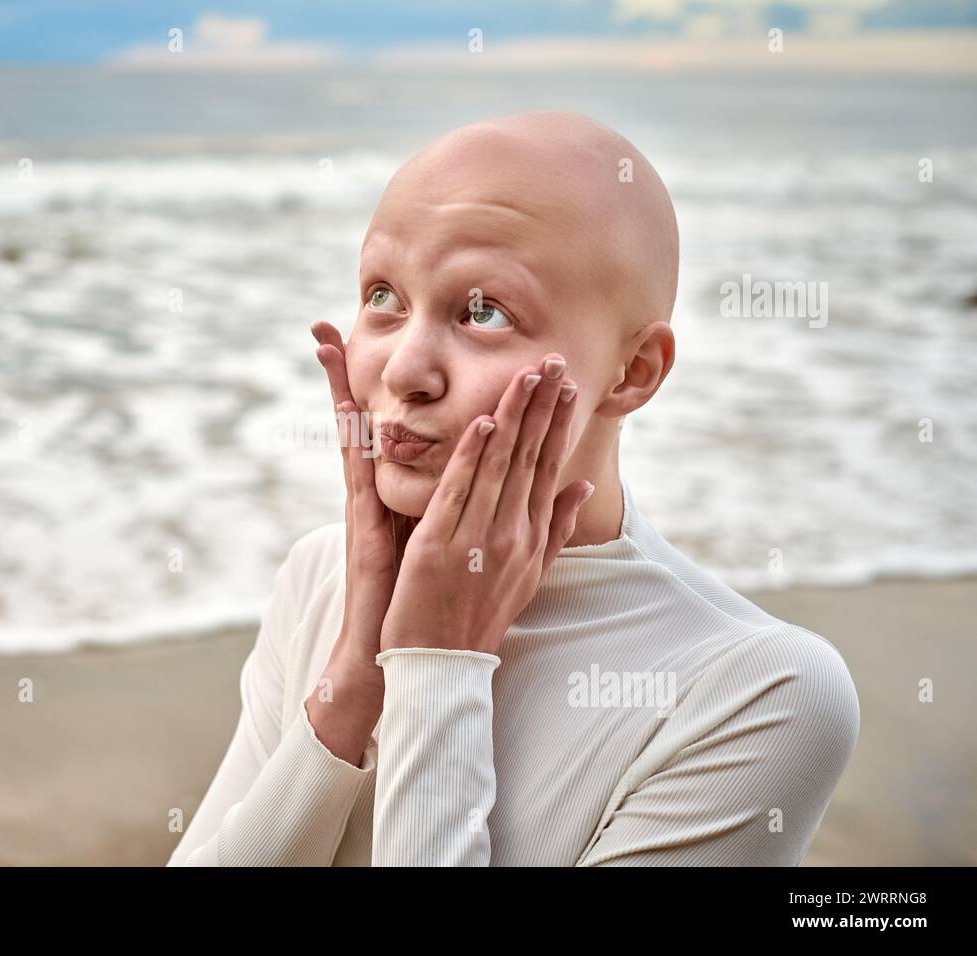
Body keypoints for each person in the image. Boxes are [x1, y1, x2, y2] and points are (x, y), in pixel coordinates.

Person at [166, 111, 859, 866]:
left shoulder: (759, 692)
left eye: (483, 311)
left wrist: (439, 664)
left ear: (634, 373)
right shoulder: (320, 581)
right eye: (383, 298)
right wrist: (354, 680)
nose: (404, 371)